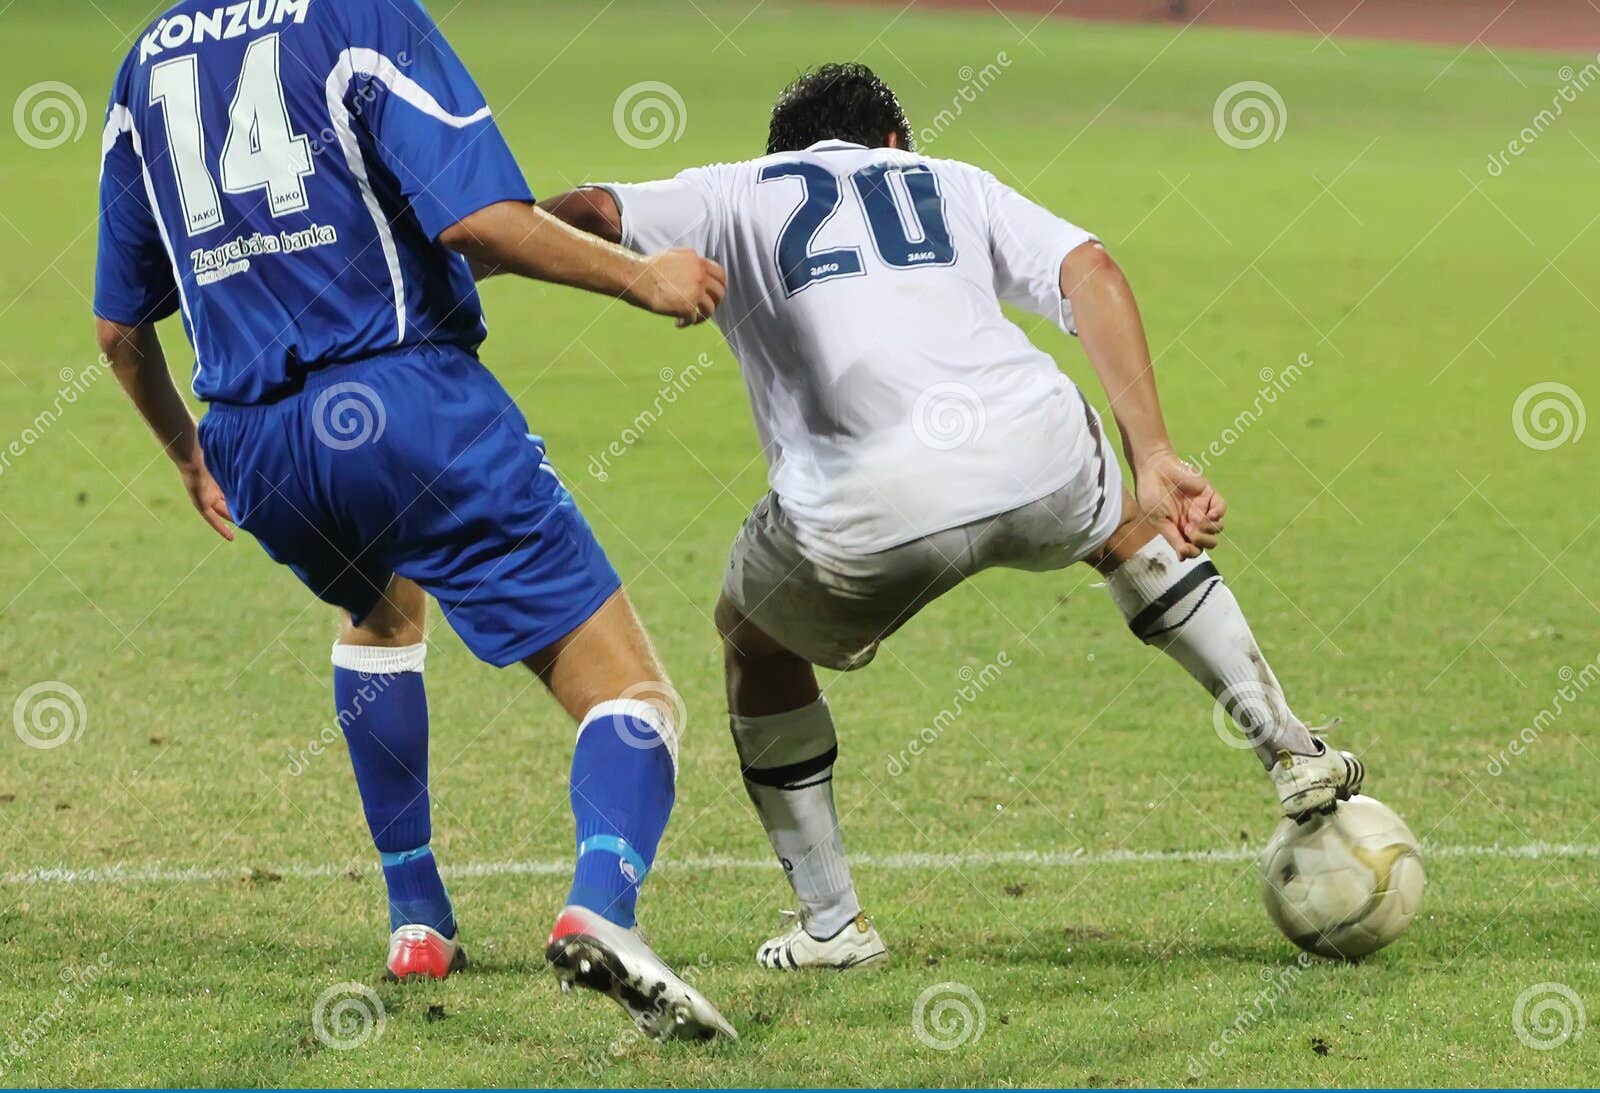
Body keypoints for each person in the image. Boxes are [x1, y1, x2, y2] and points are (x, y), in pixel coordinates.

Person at [538, 63, 1364, 972]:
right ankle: (1290, 750)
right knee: (1128, 529)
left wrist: (567, 256)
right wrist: (1156, 453)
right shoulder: (950, 180)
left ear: (788, 150)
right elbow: (1091, 267)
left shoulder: (733, 187)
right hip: (1033, 451)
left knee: (753, 640)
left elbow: (585, 208)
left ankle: (833, 923)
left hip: (856, 517)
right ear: (894, 143)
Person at [93, 0, 734, 1040]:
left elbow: (120, 328)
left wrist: (187, 455)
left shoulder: (143, 64)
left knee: (383, 613)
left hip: (258, 446)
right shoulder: (361, 16)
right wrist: (637, 277)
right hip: (407, 409)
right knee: (634, 695)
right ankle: (602, 906)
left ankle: (417, 919)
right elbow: (476, 219)